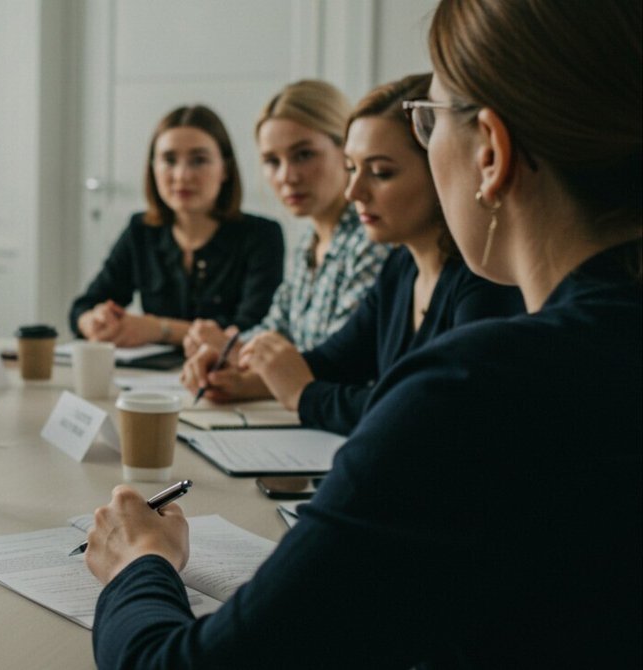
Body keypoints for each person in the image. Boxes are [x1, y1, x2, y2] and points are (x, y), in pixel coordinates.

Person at [85, 0, 642, 666]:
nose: (354, 193)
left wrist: (139, 560)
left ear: (491, 151)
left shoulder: (475, 387)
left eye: (428, 121)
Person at [183, 74, 523, 434]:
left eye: (380, 172)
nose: (353, 192)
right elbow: (334, 360)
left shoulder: (486, 279)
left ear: (439, 168)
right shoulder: (402, 266)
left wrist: (304, 395)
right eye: (351, 168)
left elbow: (429, 413)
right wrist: (248, 380)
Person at [182, 80, 391, 400]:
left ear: (346, 150)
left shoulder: (372, 239)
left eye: (304, 155)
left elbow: (340, 361)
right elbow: (276, 329)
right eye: (272, 161)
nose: (287, 176)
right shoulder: (309, 240)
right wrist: (222, 352)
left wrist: (239, 361)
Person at [69, 105, 284, 347]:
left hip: (225, 369)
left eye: (199, 160)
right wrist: (94, 321)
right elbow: (83, 306)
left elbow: (252, 329)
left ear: (225, 169)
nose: (182, 175)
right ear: (153, 167)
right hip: (147, 370)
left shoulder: (262, 235)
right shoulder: (141, 230)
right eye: (169, 160)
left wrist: (159, 329)